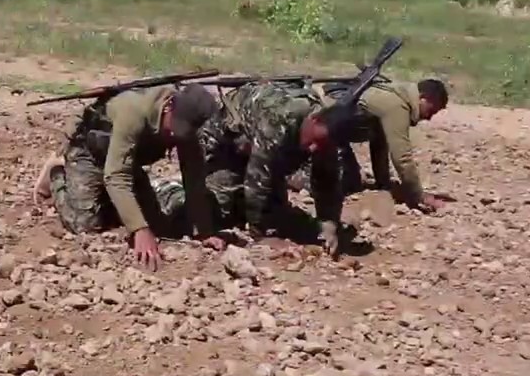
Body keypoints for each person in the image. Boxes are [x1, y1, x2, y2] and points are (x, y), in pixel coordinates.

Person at [32, 84, 227, 271]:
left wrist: (204, 231)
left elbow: (194, 178)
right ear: (168, 106)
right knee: (85, 224)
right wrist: (138, 230)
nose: (175, 134)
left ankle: (109, 199)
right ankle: (57, 173)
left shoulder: (186, 127)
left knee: (160, 227)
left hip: (126, 159)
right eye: (173, 128)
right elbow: (116, 176)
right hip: (90, 154)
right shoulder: (134, 111)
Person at [150, 81, 353, 257]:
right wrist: (261, 235)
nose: (313, 149)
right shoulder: (279, 118)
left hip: (258, 147)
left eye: (322, 146)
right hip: (224, 144)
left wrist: (329, 222)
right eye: (315, 141)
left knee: (282, 218)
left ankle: (245, 207)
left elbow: (327, 180)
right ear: (314, 119)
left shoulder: (326, 135)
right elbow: (257, 179)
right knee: (216, 210)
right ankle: (165, 189)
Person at [315, 77, 449, 212]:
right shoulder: (397, 105)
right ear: (423, 98)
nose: (429, 117)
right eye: (431, 111)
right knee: (335, 184)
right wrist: (420, 196)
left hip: (331, 134)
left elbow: (379, 141)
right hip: (317, 134)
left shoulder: (395, 94)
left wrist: (383, 183)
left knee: (353, 180)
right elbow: (402, 157)